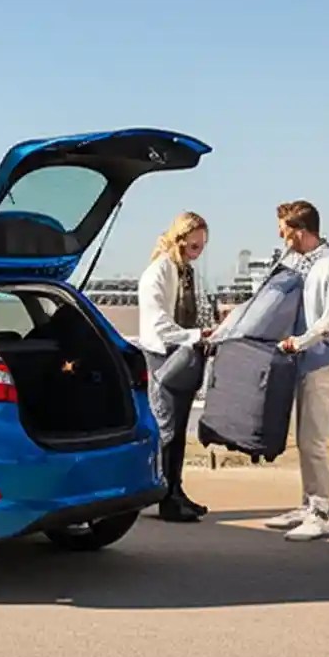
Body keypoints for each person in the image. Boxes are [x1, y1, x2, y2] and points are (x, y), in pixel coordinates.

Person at [264, 200, 329, 541]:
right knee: (305, 441)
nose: (280, 237)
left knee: (312, 441)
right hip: (307, 363)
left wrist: (299, 342)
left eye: (284, 232)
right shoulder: (306, 265)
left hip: (323, 362)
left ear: (300, 232)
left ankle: (320, 511)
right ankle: (307, 505)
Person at [137, 211, 213, 523]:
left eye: (202, 247)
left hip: (180, 351)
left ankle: (175, 491)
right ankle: (165, 497)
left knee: (178, 428)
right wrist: (196, 334)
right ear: (179, 241)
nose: (198, 253)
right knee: (167, 429)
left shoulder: (184, 272)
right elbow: (159, 325)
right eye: (194, 247)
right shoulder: (159, 272)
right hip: (163, 354)